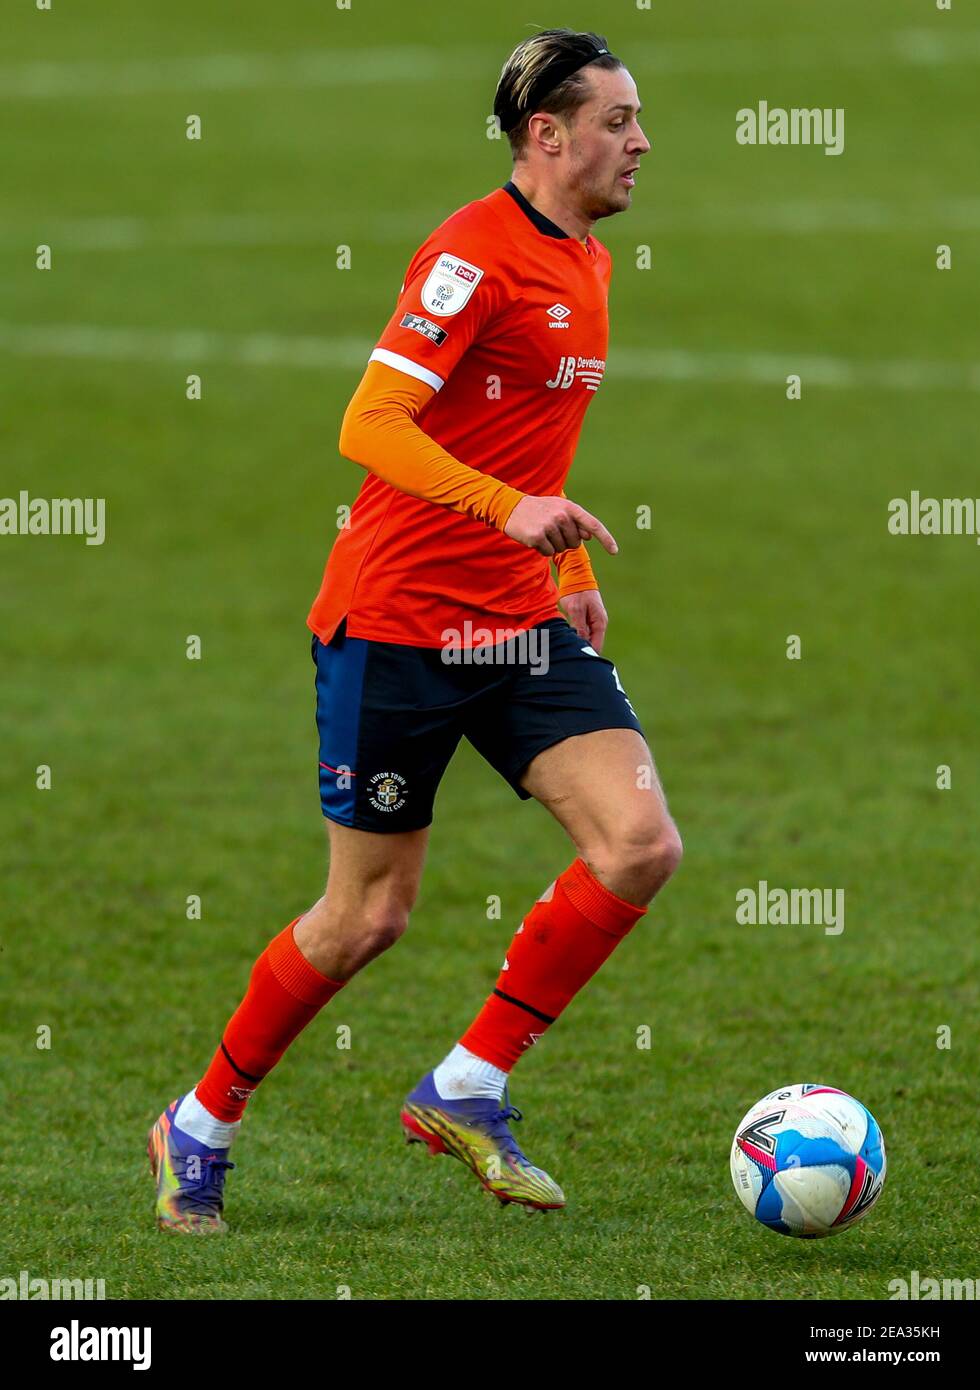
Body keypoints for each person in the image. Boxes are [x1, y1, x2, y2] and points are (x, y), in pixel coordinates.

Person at [148, 26, 681, 1233]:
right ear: (544, 136)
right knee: (367, 918)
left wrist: (565, 564)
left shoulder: (588, 258)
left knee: (640, 843)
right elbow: (371, 420)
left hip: (518, 621)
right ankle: (199, 1121)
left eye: (639, 120)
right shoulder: (468, 254)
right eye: (616, 121)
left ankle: (466, 1086)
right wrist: (511, 512)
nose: (641, 142)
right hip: (396, 625)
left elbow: (535, 437)